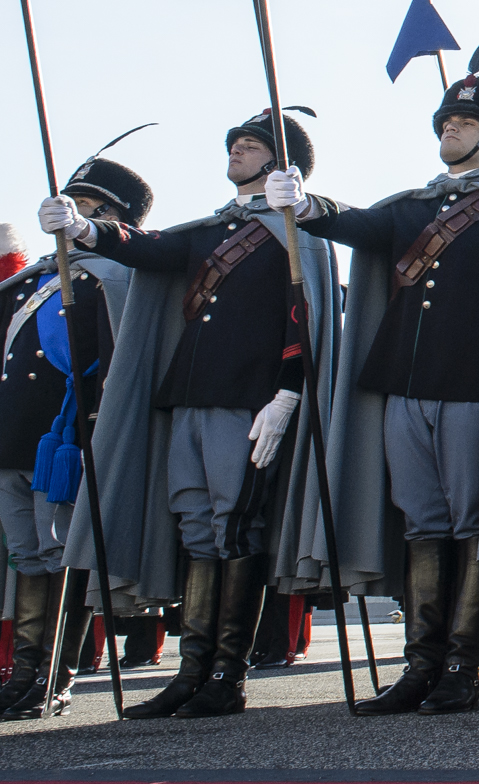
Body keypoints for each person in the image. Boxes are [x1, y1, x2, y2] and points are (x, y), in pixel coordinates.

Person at [267, 65, 479, 715]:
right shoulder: (414, 205)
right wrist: (306, 205)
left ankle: (461, 665)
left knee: (470, 525)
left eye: (465, 123)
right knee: (425, 525)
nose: (450, 128)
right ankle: (420, 663)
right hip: (405, 383)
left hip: (473, 386)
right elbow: (358, 226)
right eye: (446, 121)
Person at [51, 110, 339, 719]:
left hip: (248, 399)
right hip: (190, 393)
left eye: (254, 145)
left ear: (284, 164)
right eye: (236, 142)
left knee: (236, 526)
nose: (239, 150)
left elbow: (304, 316)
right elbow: (147, 249)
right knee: (198, 530)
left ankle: (225, 677)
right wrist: (85, 230)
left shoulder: (294, 231)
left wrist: (288, 393)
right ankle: (192, 669)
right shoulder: (211, 229)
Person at [0, 163, 143, 720]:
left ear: (111, 217)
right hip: (15, 437)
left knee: (60, 554)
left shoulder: (111, 276)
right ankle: (25, 669)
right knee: (28, 559)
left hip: (64, 436)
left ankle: (52, 675)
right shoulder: (34, 280)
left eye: (85, 203)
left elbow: (116, 362)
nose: (68, 213)